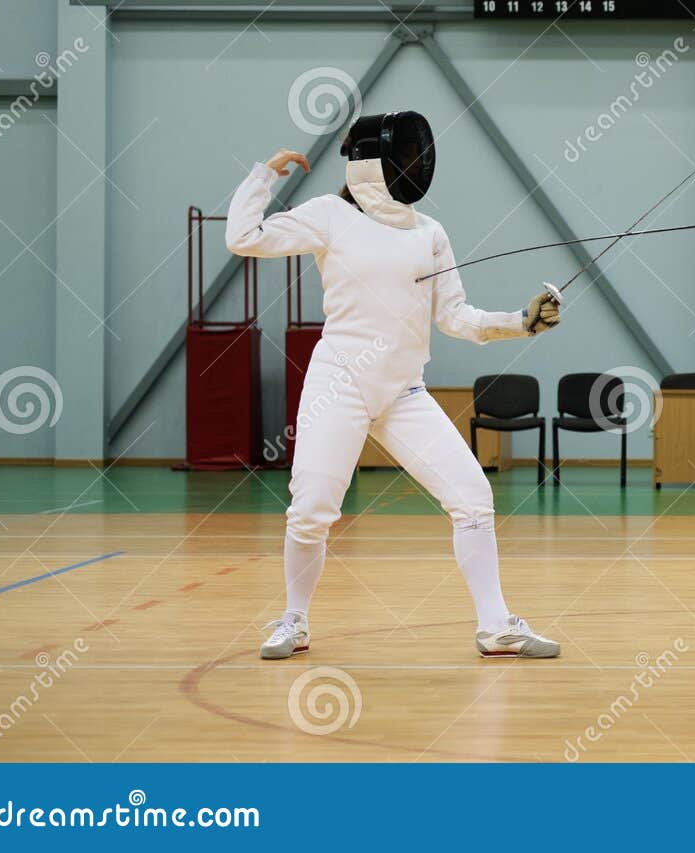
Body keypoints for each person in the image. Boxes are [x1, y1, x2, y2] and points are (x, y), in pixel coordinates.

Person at [225, 110, 564, 660]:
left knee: (474, 497)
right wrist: (264, 175)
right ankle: (294, 619)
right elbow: (243, 237)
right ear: (371, 164)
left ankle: (496, 624)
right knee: (312, 507)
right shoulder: (330, 215)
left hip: (404, 392)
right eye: (404, 156)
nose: (415, 165)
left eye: (416, 156)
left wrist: (519, 321)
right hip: (339, 385)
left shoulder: (430, 233)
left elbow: (455, 316)